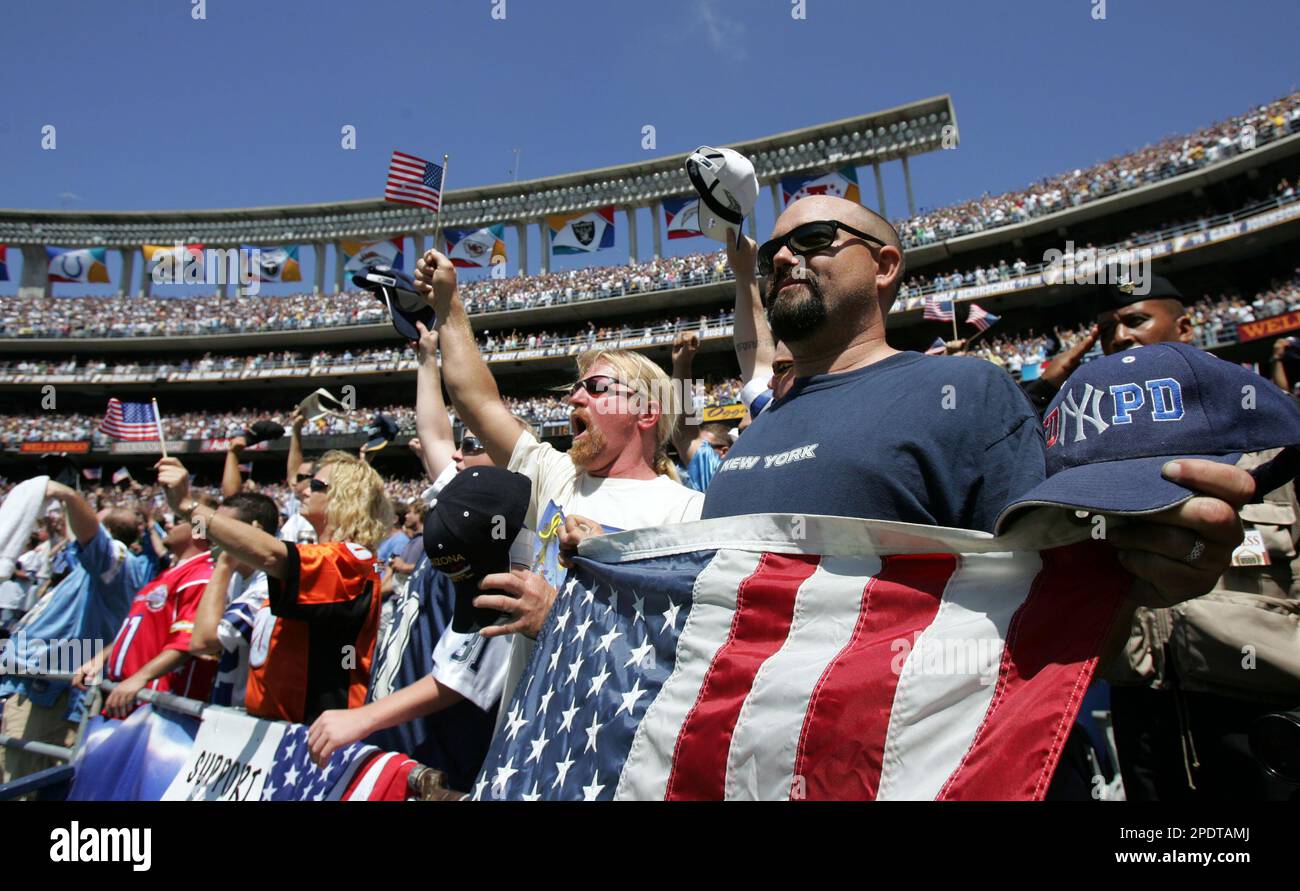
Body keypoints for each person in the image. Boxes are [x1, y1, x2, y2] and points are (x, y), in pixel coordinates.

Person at [413, 251, 703, 728]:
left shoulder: (688, 512)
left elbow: (681, 652)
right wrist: (450, 303)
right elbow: (476, 400)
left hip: (602, 752)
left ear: (646, 413)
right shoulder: (555, 475)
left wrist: (561, 615)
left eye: (594, 386)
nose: (574, 397)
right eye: (575, 387)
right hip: (522, 739)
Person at [1087, 277, 1300, 800]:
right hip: (1142, 711)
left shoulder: (1274, 445)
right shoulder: (1091, 464)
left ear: (1184, 326)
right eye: (1108, 329)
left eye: (1135, 320)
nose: (1119, 337)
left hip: (1263, 713)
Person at [153, 450, 390, 724]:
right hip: (274, 735)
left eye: (315, 485)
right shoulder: (315, 559)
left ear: (347, 498)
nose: (303, 490)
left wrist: (188, 507)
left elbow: (272, 556)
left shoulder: (353, 560)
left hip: (312, 738)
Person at [0, 483, 160, 782]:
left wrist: (70, 496)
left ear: (103, 531)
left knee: (19, 780)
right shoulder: (105, 568)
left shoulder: (115, 561)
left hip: (54, 690)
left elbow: (90, 537)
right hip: (44, 680)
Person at [70, 496, 221, 715]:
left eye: (178, 519)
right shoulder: (169, 574)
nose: (167, 524)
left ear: (198, 529)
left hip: (156, 707)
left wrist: (140, 678)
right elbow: (140, 630)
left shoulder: (202, 576)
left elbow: (189, 641)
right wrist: (100, 659)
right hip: (126, 698)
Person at [187, 492, 282, 708]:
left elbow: (201, 642)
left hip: (248, 720)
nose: (213, 536)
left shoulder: (269, 585)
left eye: (224, 528)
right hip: (224, 711)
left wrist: (224, 564)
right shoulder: (234, 578)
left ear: (252, 531)